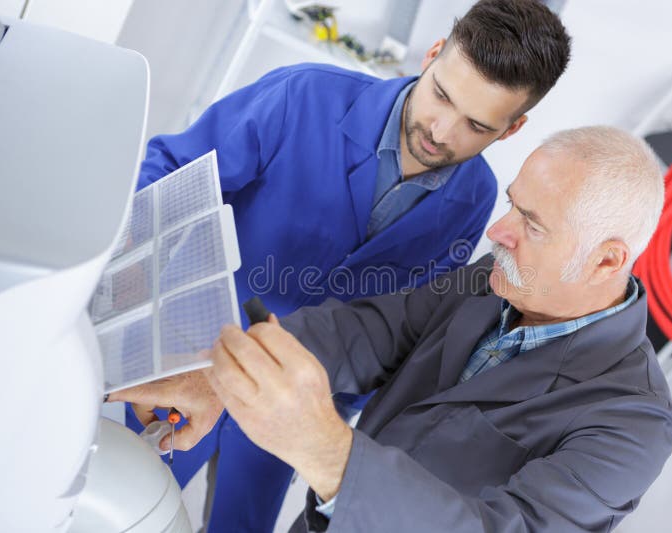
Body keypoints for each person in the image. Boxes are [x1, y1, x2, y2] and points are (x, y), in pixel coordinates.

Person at [123, 1, 571, 530]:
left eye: (475, 124)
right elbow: (169, 176)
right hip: (194, 348)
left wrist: (337, 412)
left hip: (304, 389)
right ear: (431, 56)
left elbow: (406, 320)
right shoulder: (303, 96)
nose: (441, 131)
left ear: (512, 128)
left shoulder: (477, 199)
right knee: (128, 498)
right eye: (441, 95)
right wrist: (140, 319)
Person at [113, 125, 672, 532]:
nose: (497, 232)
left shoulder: (633, 421)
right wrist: (223, 374)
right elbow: (369, 331)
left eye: (531, 224)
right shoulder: (495, 278)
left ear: (607, 260)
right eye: (512, 205)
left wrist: (327, 451)